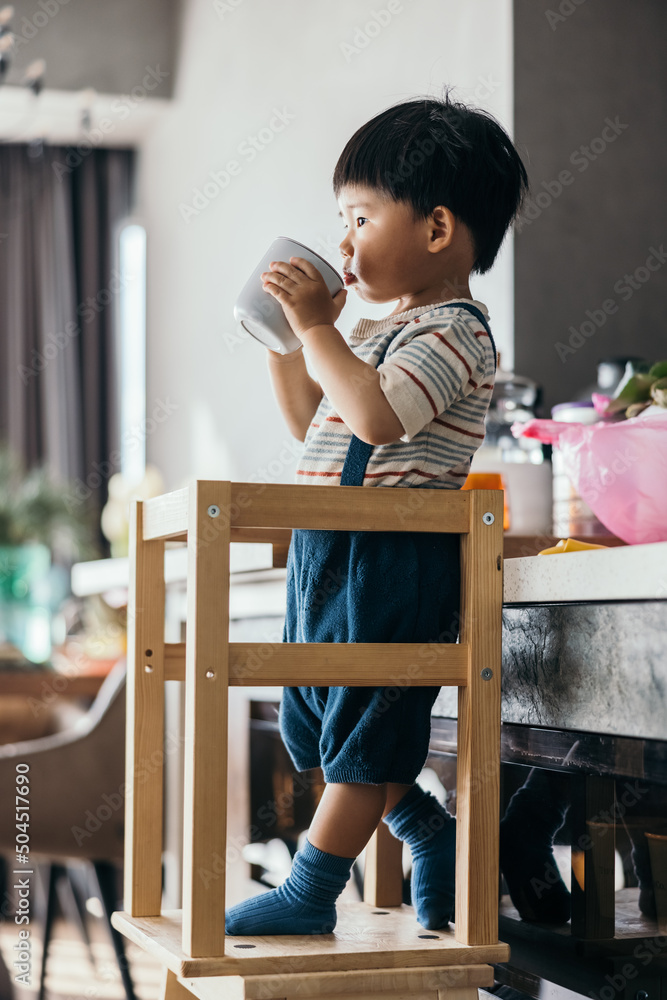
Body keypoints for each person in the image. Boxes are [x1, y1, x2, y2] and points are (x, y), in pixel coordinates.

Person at [225, 90, 528, 936]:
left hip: (395, 560)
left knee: (367, 723)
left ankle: (310, 889)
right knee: (324, 723)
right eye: (339, 220)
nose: (344, 241)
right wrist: (290, 342)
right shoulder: (380, 334)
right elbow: (310, 422)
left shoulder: (456, 332)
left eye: (358, 217)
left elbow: (375, 418)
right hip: (331, 549)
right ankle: (427, 833)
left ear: (435, 230)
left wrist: (320, 325)